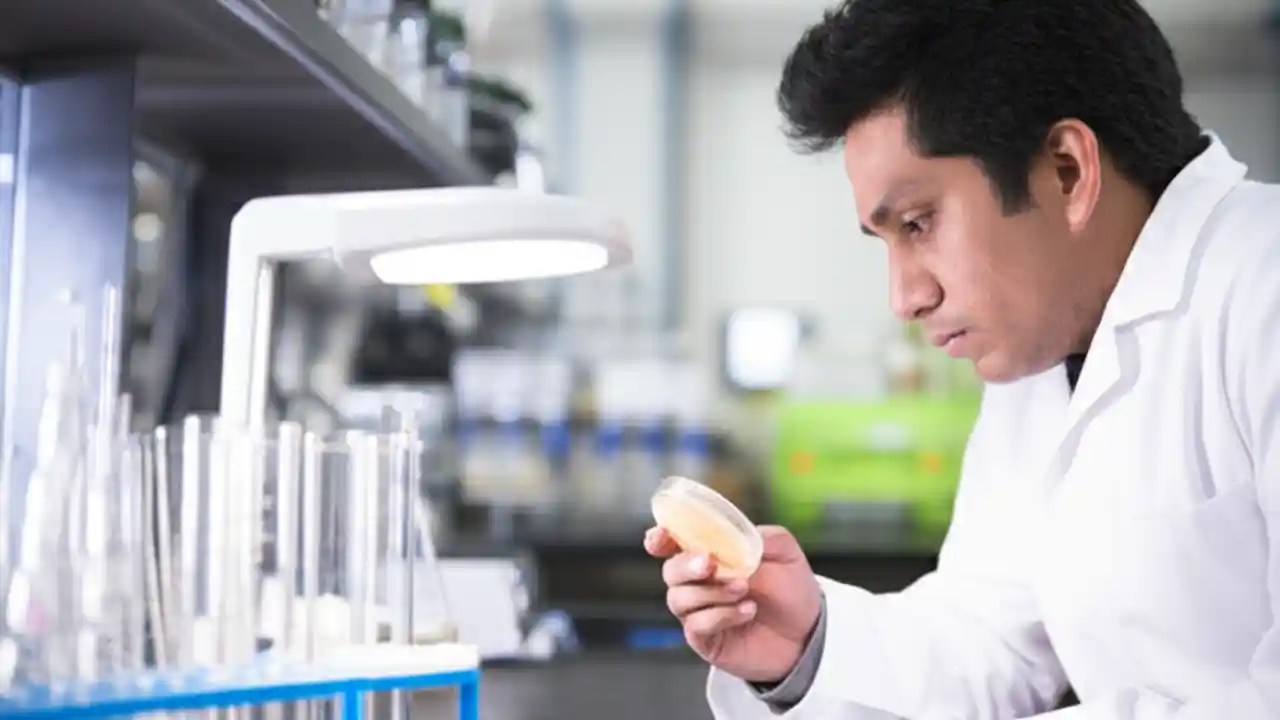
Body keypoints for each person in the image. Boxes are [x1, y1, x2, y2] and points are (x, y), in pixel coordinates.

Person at [644, 1, 1280, 717]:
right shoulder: (1043, 348)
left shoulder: (1262, 288)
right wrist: (805, 647)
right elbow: (994, 638)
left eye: (918, 224)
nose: (905, 297)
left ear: (1066, 171)